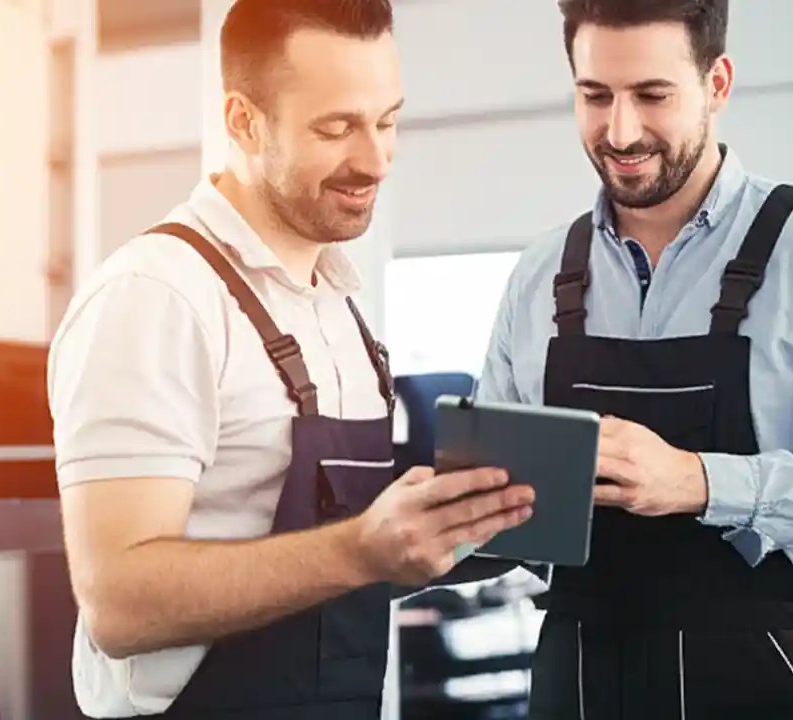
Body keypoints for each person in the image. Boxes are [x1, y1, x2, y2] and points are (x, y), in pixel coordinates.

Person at [46, 1, 535, 718]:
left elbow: (333, 571)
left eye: (387, 121)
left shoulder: (338, 309)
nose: (373, 159)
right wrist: (360, 553)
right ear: (244, 122)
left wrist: (458, 533)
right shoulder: (157, 297)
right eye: (336, 127)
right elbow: (117, 602)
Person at [476, 1, 793, 718]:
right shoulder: (541, 273)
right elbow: (498, 509)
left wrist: (699, 481)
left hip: (755, 686)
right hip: (574, 687)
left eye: (652, 95)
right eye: (595, 95)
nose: (620, 130)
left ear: (718, 83)